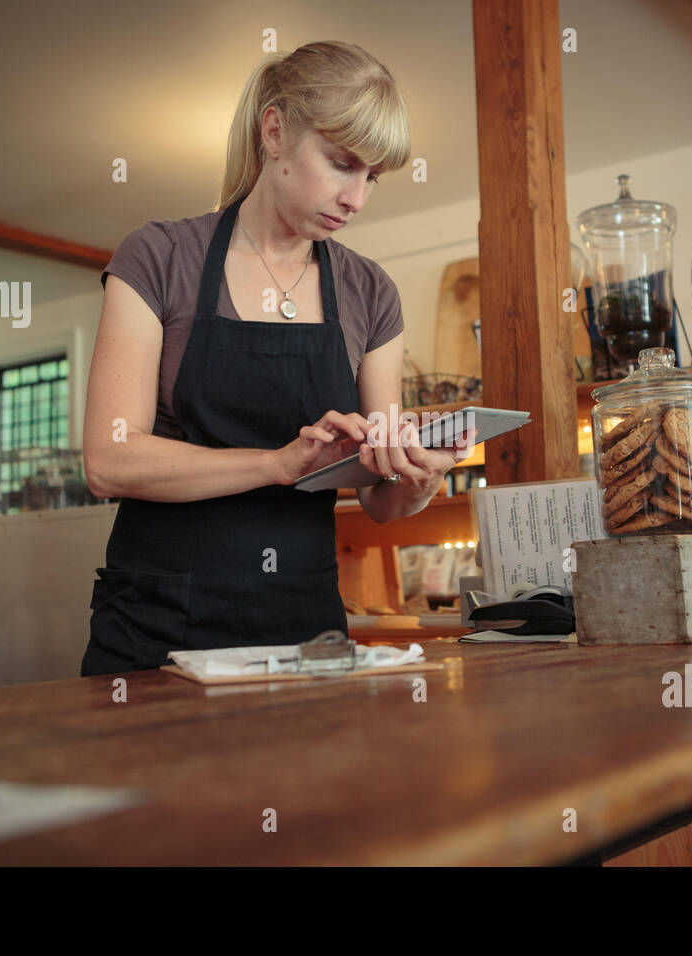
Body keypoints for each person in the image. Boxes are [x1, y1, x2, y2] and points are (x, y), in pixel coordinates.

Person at [80, 41, 472, 676]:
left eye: (372, 177)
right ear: (274, 131)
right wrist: (278, 464)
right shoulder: (158, 259)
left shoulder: (371, 294)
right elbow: (110, 461)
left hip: (303, 624)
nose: (357, 199)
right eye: (342, 163)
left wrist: (417, 479)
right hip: (157, 626)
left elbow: (379, 498)